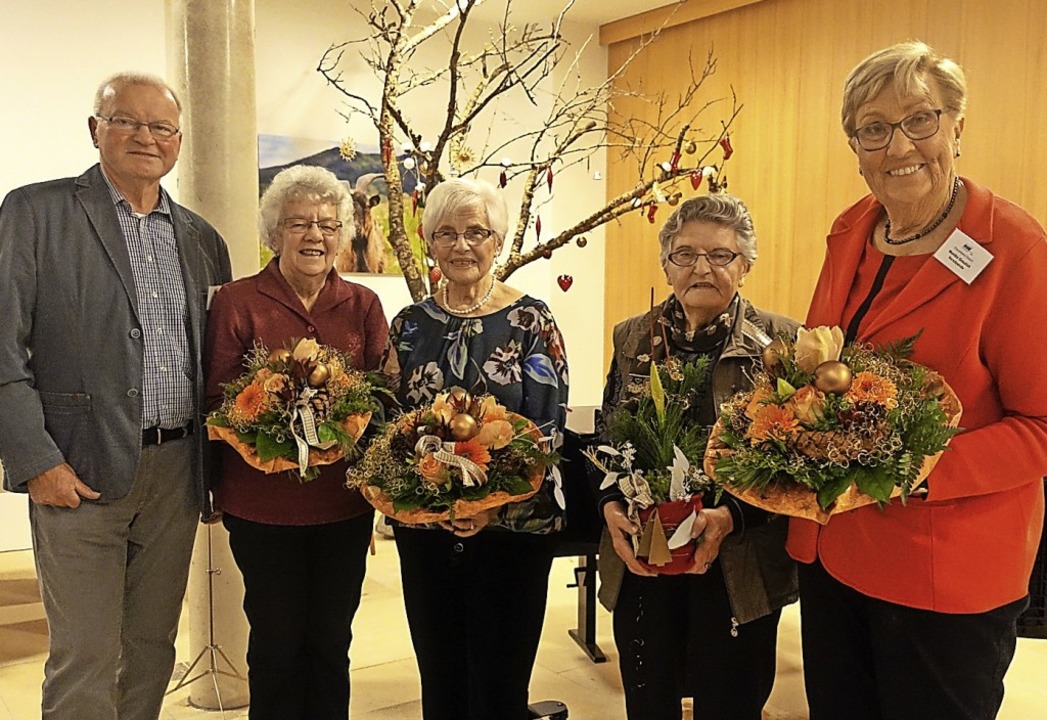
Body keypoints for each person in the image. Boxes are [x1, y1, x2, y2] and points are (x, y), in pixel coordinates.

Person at [789, 41, 1047, 720]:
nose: (898, 145)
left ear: (956, 127)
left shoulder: (1014, 249)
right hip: (833, 551)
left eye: (919, 119)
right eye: (873, 128)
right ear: (855, 147)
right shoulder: (852, 229)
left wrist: (912, 468)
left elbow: (1040, 427)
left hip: (943, 571)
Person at [0, 72, 231, 720]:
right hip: (78, 469)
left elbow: (219, 364)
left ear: (178, 140)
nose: (145, 137)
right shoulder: (36, 213)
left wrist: (217, 472)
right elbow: (2, 345)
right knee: (86, 655)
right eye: (126, 120)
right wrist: (36, 461)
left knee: (151, 649)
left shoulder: (201, 238)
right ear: (95, 129)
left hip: (176, 474)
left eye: (161, 127)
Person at [597, 194, 798, 720]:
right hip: (646, 549)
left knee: (731, 702)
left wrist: (732, 515)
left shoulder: (781, 343)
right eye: (685, 254)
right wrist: (610, 507)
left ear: (746, 264)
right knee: (648, 698)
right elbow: (608, 433)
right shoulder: (633, 336)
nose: (701, 268)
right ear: (666, 265)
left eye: (720, 255)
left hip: (739, 560)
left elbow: (798, 462)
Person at [382, 177, 569, 720]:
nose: (461, 245)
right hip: (427, 531)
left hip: (513, 531)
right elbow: (393, 428)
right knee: (441, 678)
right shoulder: (409, 325)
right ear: (429, 242)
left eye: (475, 233)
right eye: (446, 233)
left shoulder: (531, 321)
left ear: (497, 241)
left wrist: (488, 506)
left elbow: (547, 430)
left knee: (499, 684)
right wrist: (434, 502)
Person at [205, 165, 388, 720]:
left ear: (343, 234)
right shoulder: (238, 301)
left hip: (342, 505)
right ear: (274, 232)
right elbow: (217, 400)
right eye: (299, 223)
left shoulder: (362, 305)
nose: (315, 236)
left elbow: (382, 399)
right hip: (262, 506)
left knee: (332, 642)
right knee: (276, 644)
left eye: (328, 225)